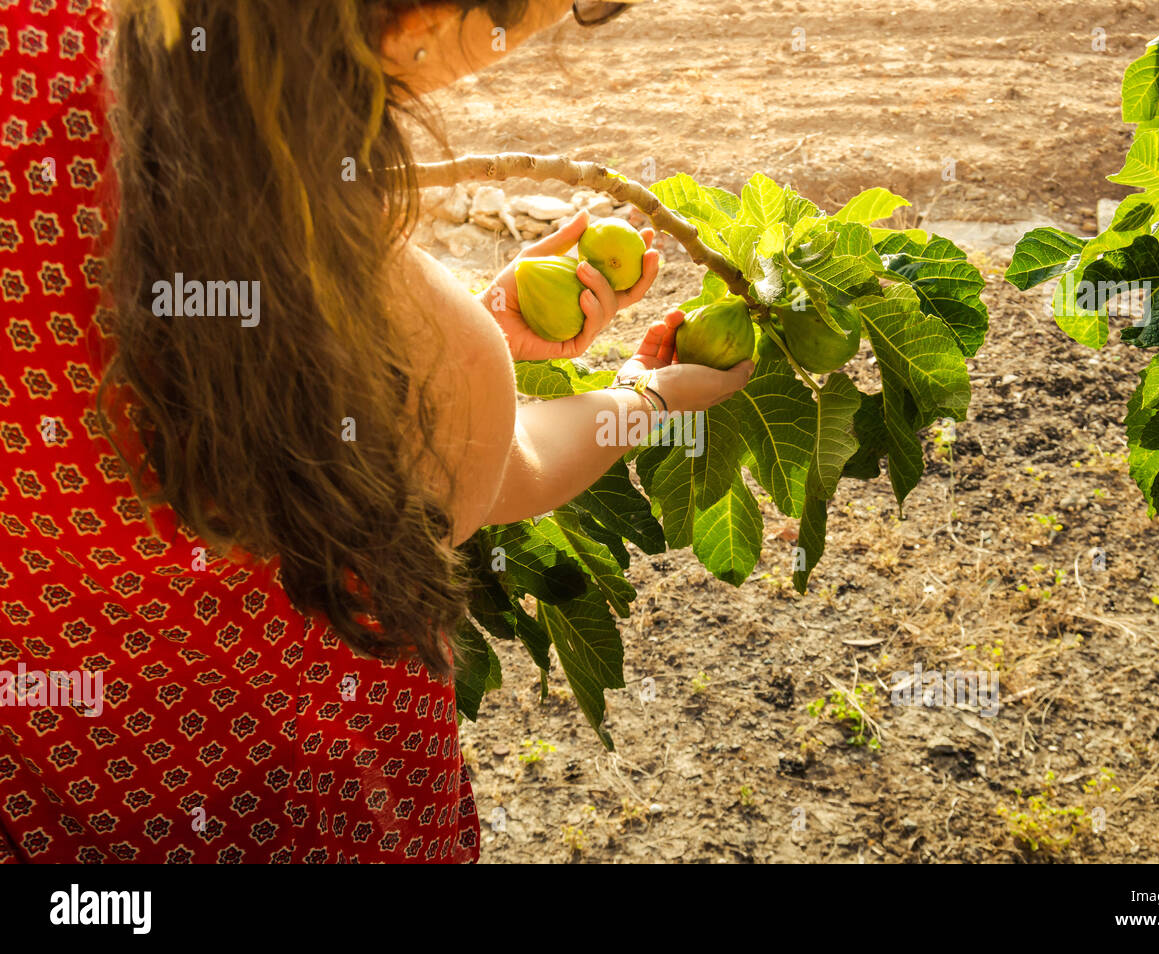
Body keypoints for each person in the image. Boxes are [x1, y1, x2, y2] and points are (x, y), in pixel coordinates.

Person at [0, 0, 751, 863]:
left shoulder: (36, 46)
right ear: (416, 23)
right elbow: (512, 467)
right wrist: (644, 393)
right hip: (325, 808)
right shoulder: (343, 279)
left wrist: (428, 344)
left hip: (68, 806)